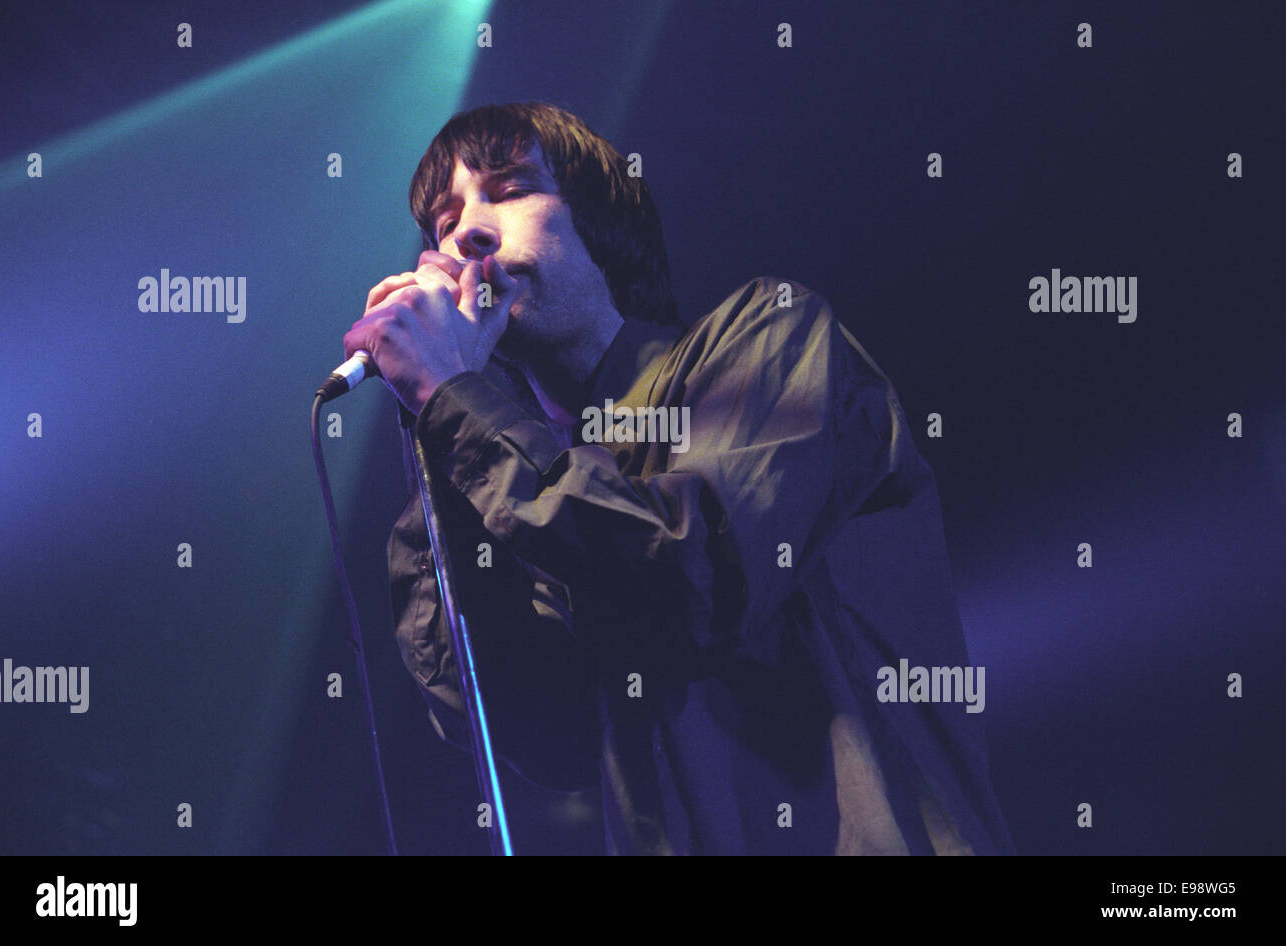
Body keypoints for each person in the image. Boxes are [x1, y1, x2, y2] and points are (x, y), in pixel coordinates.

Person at [344, 101, 1014, 855]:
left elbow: (693, 569)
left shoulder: (771, 335)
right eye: (443, 222)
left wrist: (454, 404)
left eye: (506, 190)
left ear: (597, 220)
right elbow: (533, 735)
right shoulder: (521, 487)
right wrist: (439, 427)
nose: (465, 232)